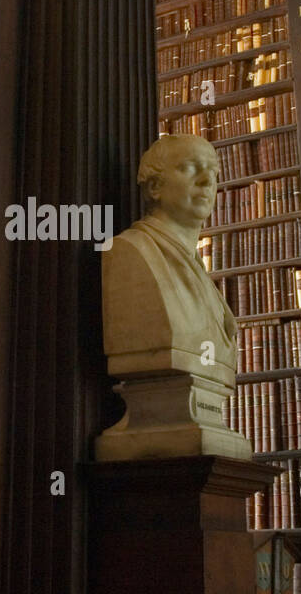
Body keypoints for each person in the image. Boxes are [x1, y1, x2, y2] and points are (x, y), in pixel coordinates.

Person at [97, 134, 245, 460]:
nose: (208, 181)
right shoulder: (129, 253)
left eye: (214, 172)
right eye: (191, 168)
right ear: (155, 187)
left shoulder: (198, 273)